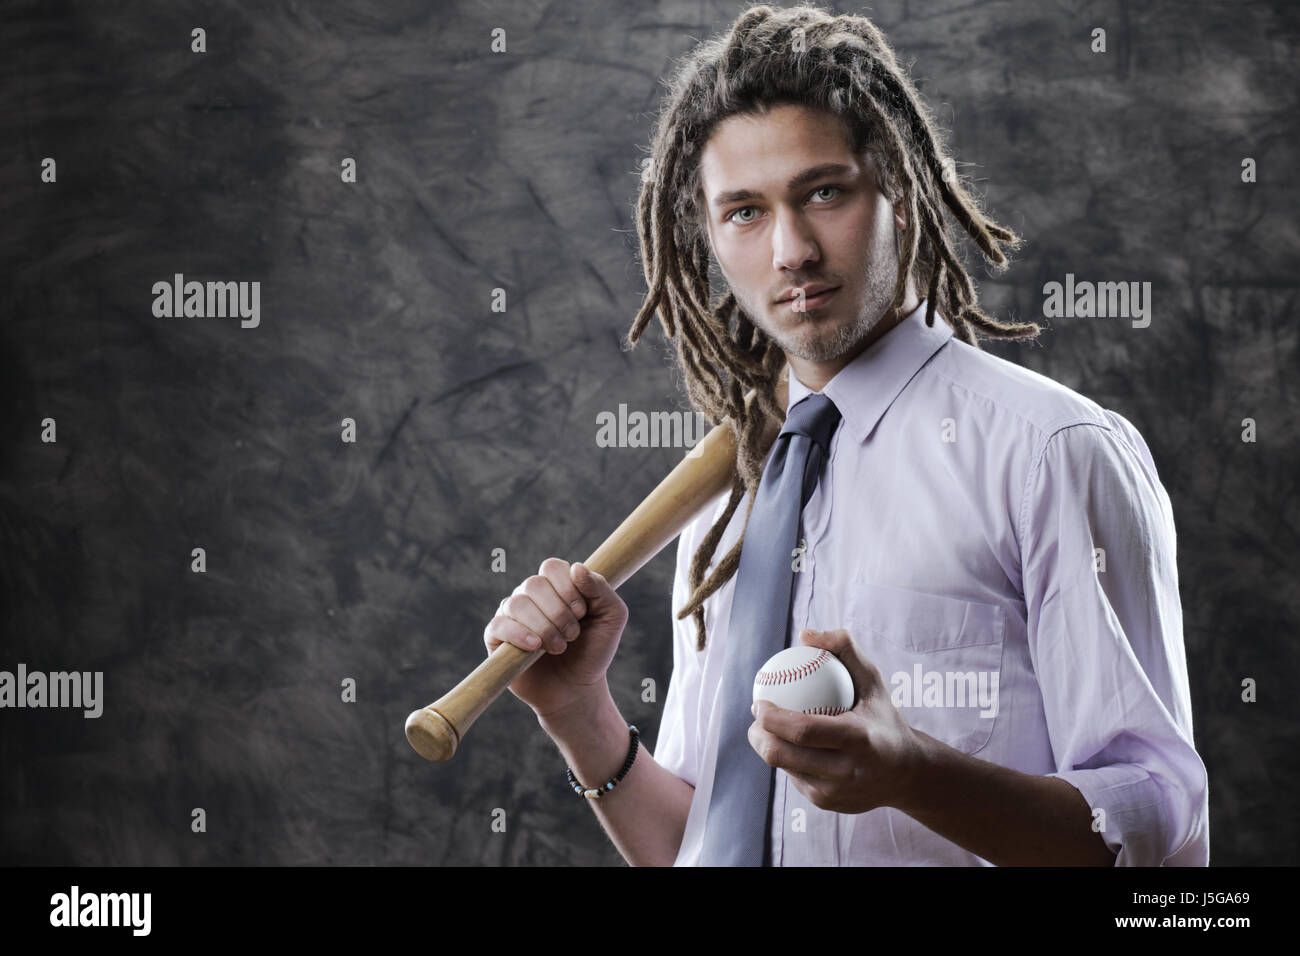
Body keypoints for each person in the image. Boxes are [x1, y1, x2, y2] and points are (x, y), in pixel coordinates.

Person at [482, 4, 1208, 866]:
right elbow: (699, 843)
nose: (791, 250)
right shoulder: (728, 504)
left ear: (898, 186)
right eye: (744, 212)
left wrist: (912, 773)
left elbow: (1156, 821)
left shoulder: (1050, 452)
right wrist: (581, 716)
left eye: (823, 192)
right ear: (708, 234)